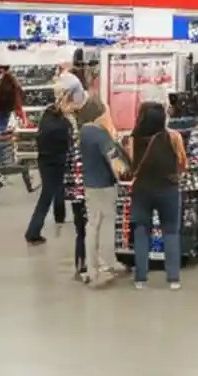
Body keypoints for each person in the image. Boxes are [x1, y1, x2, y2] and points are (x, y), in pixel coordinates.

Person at [125, 101, 188, 290]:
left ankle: (140, 278)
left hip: (142, 190)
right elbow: (183, 162)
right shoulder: (173, 137)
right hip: (168, 188)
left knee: (142, 231)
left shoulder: (132, 139)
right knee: (170, 232)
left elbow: (129, 166)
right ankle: (173, 278)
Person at [24, 73, 85, 245]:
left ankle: (59, 216)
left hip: (47, 160)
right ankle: (33, 231)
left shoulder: (48, 114)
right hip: (54, 162)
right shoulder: (61, 124)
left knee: (53, 191)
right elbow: (66, 142)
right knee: (47, 195)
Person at [77, 97, 129, 287]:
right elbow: (114, 160)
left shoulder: (83, 132)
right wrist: (124, 172)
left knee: (92, 226)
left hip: (90, 184)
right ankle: (107, 264)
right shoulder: (100, 134)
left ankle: (92, 267)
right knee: (105, 225)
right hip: (104, 186)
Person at [0, 68, 33, 196]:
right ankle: (24, 174)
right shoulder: (12, 95)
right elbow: (18, 109)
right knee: (4, 164)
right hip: (4, 128)